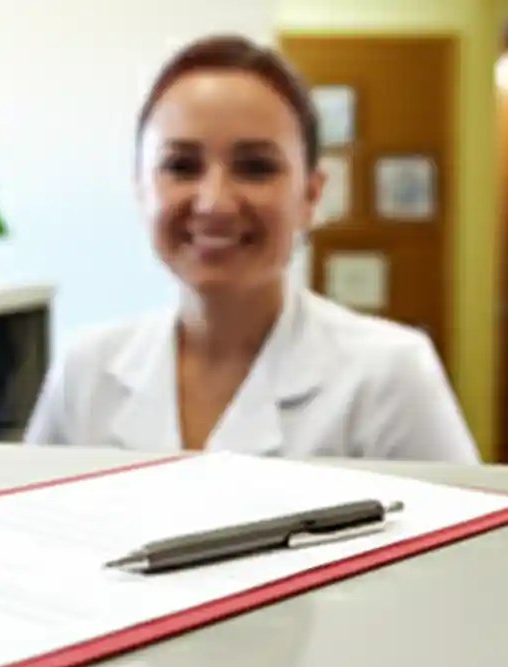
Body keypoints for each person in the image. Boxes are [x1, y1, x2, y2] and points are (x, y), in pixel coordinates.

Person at [24, 35, 480, 463]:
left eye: (256, 168)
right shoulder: (86, 371)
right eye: (181, 166)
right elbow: (27, 537)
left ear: (311, 196)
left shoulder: (391, 374)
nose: (214, 203)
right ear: (142, 189)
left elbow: (477, 549)